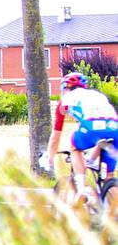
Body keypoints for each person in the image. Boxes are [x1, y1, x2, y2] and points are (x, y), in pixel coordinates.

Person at [41, 72, 118, 200]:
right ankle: (112, 210)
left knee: (75, 147)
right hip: (115, 128)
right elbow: (104, 129)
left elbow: (56, 136)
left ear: (65, 89)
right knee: (108, 177)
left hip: (92, 127)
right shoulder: (98, 95)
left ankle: (81, 190)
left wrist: (50, 159)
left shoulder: (65, 100)